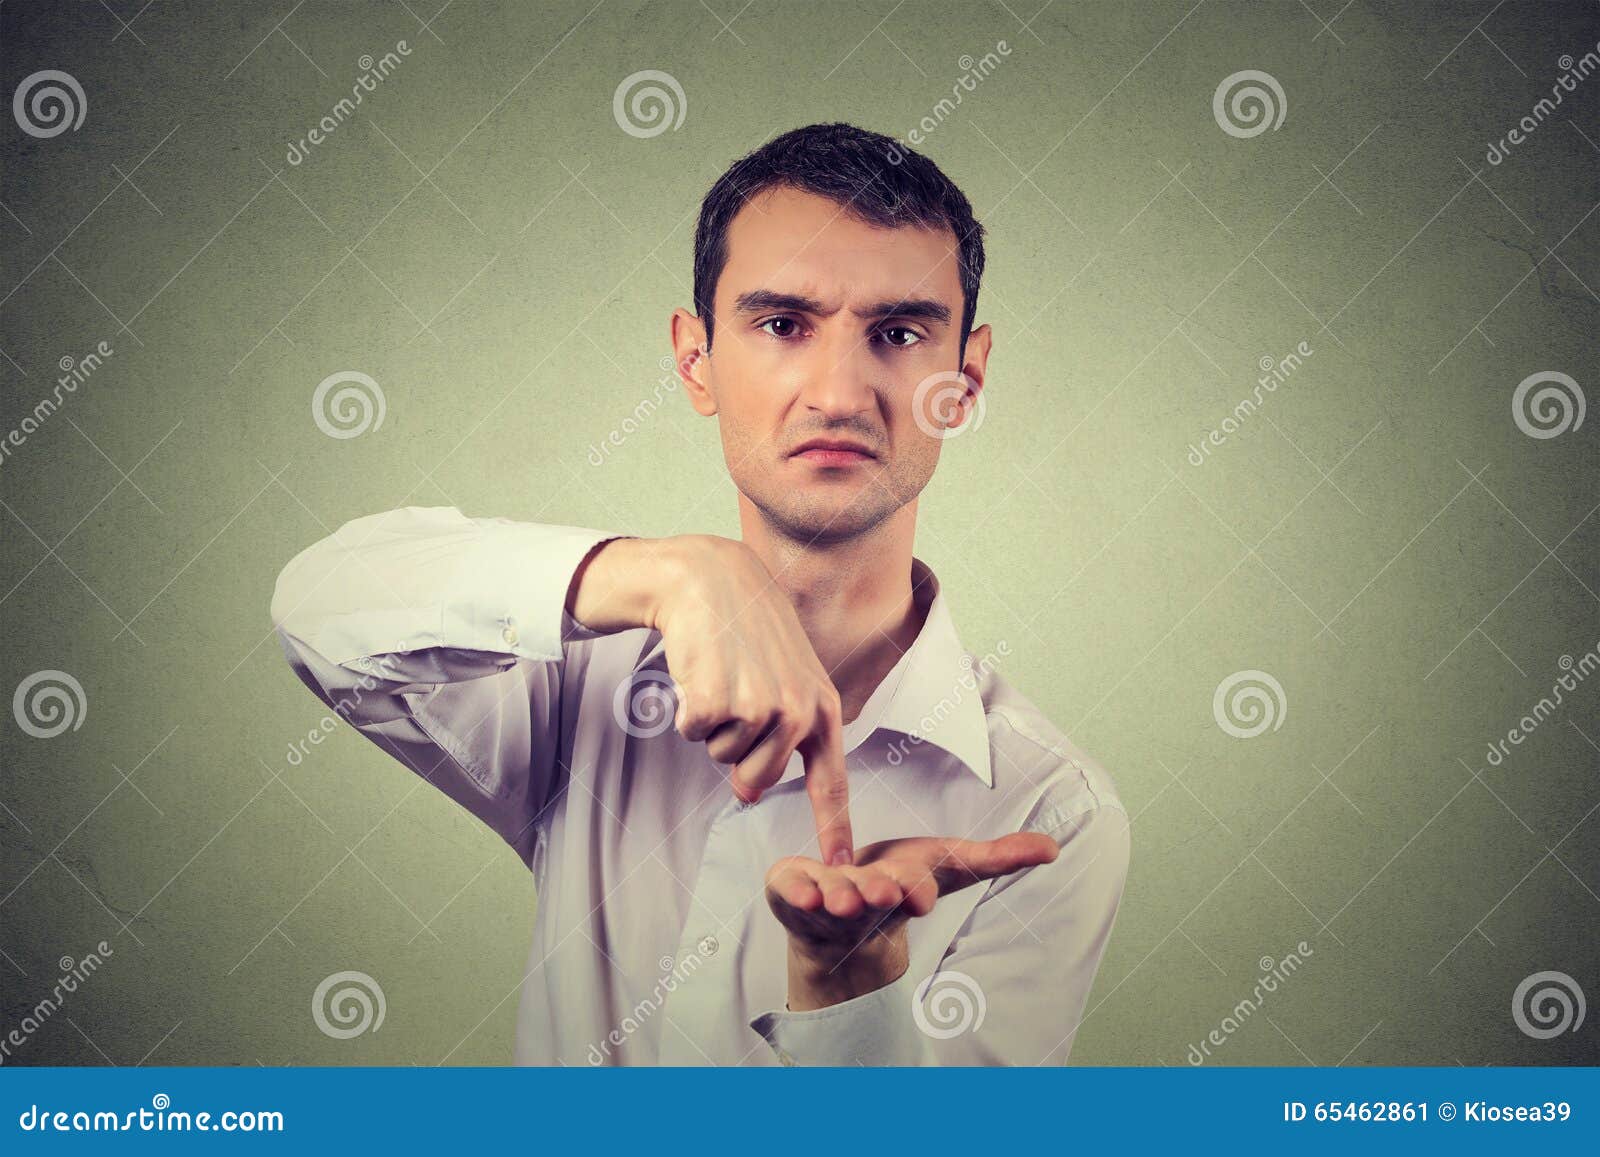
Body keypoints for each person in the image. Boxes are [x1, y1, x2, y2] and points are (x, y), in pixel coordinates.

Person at [271, 122, 1129, 1066]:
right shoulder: (578, 684)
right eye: (782, 325)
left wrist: (850, 1001)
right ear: (695, 361)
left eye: (897, 333)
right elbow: (319, 606)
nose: (839, 393)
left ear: (963, 381)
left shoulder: (1050, 810)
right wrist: (671, 570)